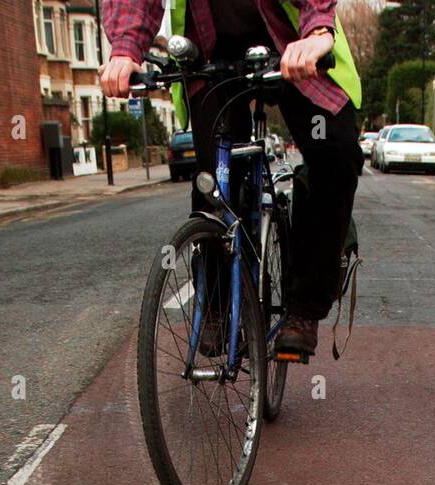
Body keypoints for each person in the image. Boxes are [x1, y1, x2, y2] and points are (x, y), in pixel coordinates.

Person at [100, 0, 363, 359]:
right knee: (214, 183)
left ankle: (303, 309)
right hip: (210, 56)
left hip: (293, 42)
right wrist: (126, 49)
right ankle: (217, 307)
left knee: (335, 152)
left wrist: (318, 31)